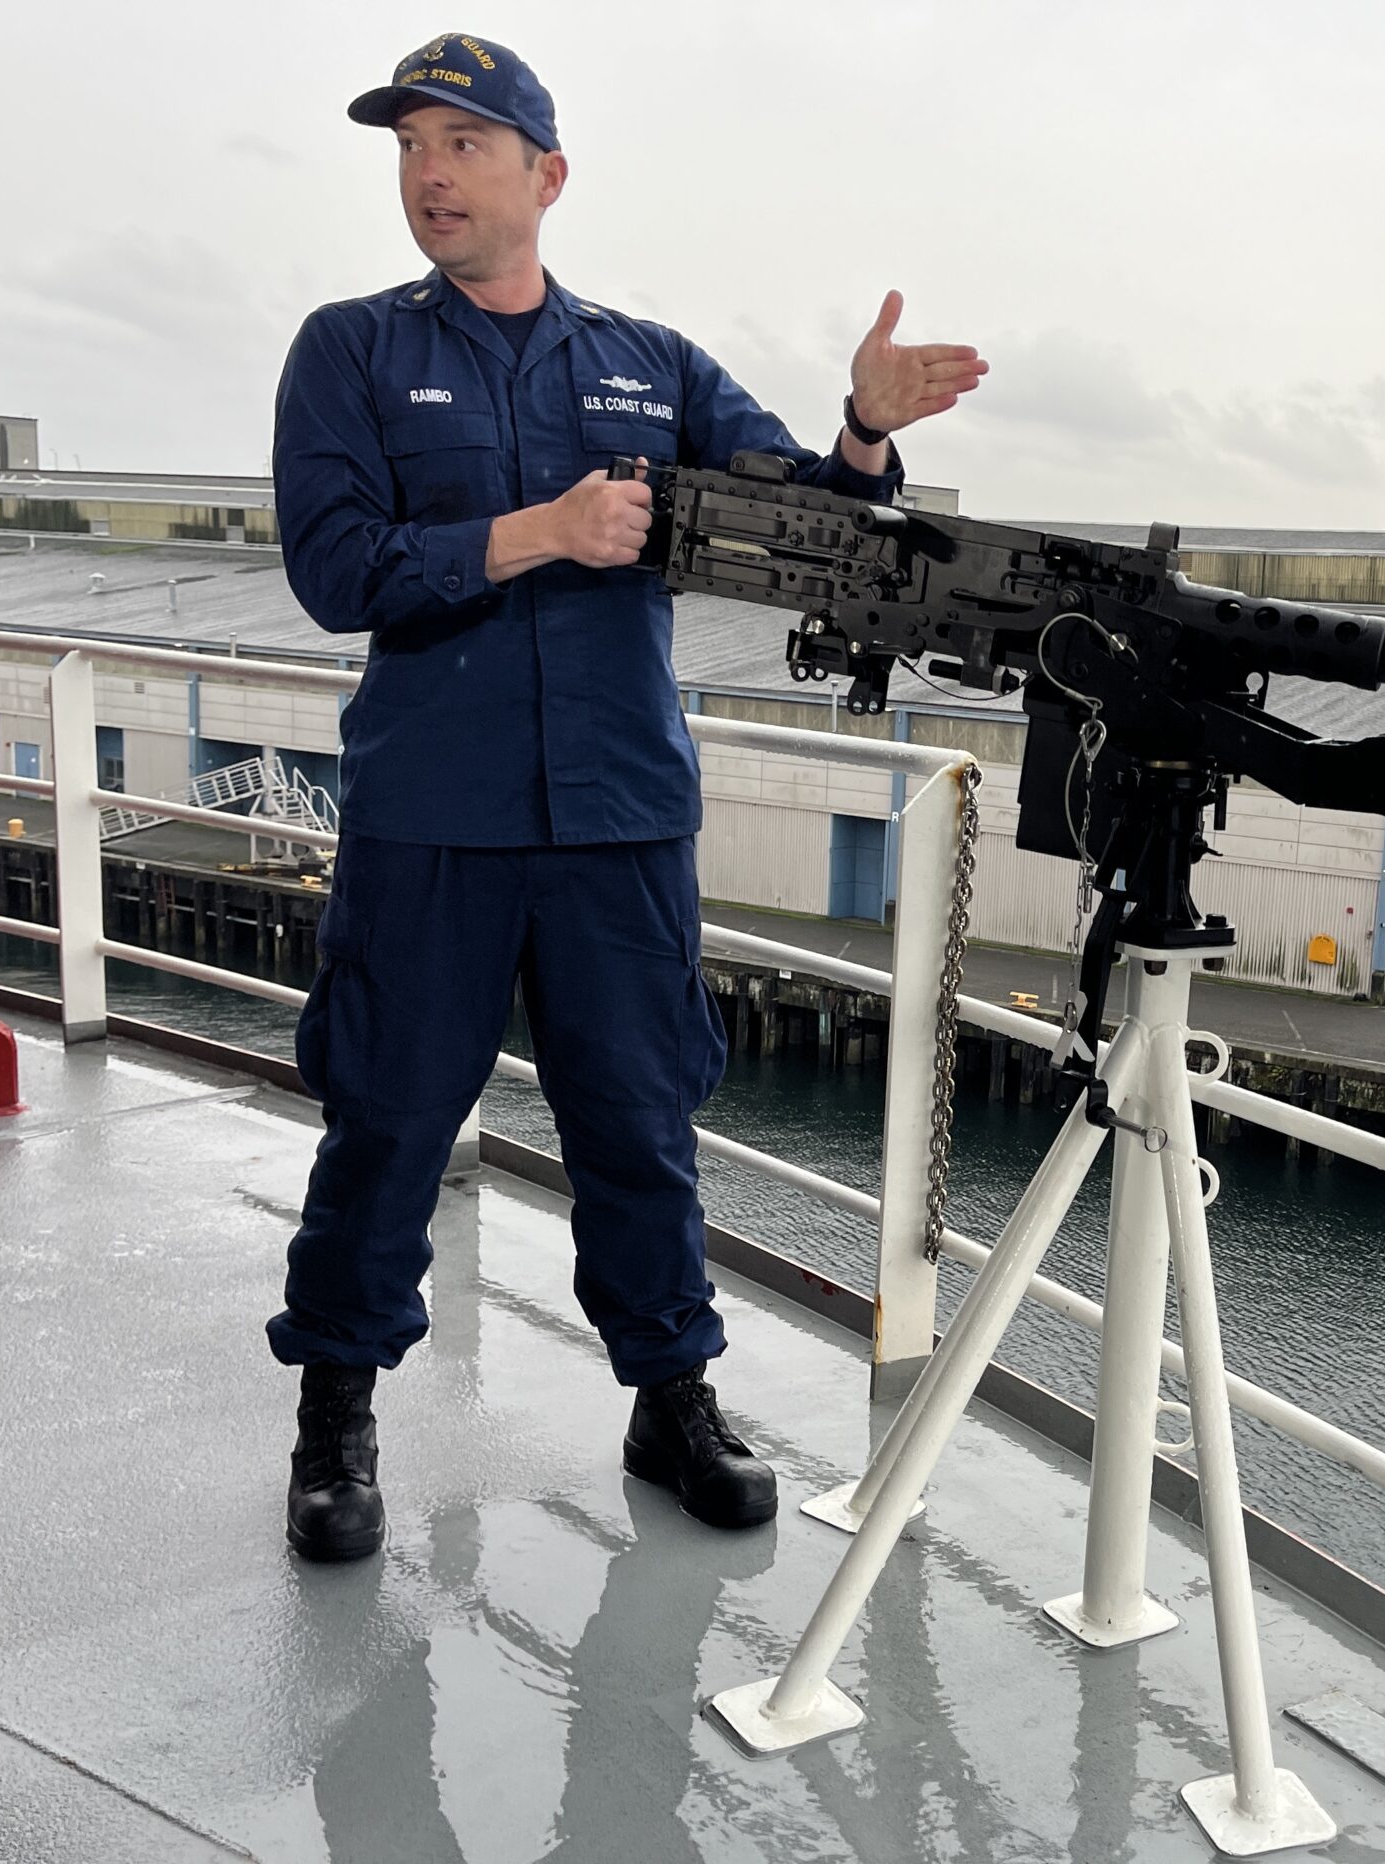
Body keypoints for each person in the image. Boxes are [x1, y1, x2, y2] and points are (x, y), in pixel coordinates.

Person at [268, 33, 986, 1561]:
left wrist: (861, 434)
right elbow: (335, 574)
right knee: (387, 1122)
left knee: (641, 1125)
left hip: (617, 817)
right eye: (408, 146)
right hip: (433, 816)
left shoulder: (647, 365)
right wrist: (539, 531)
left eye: (462, 143)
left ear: (547, 174)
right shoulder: (347, 349)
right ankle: (336, 1417)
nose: (427, 172)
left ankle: (673, 1400)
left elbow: (806, 529)